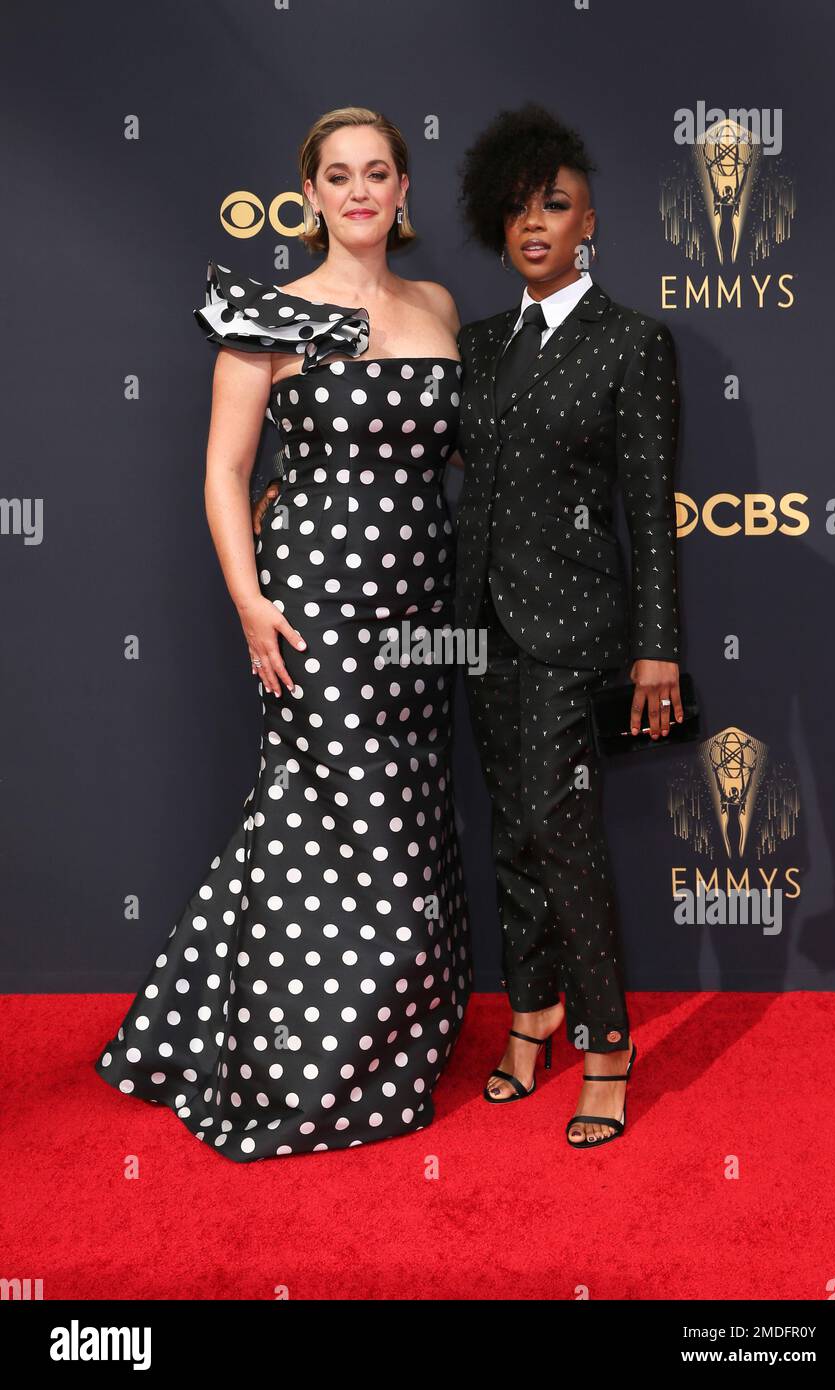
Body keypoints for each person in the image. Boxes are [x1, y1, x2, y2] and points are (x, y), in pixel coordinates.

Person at [94, 106, 472, 1162]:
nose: (357, 191)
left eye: (377, 172)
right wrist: (250, 601)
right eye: (337, 175)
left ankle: (371, 1024)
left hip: (420, 598)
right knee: (336, 821)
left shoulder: (437, 303)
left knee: (406, 807)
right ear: (309, 195)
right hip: (312, 603)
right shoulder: (268, 311)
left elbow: (443, 457)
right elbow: (224, 471)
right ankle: (309, 1062)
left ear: (402, 191)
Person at [454, 104, 683, 1147]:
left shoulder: (630, 342)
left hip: (571, 629)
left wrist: (657, 645)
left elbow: (650, 507)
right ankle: (530, 1013)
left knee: (562, 831)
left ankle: (605, 1045)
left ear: (587, 221)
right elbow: (430, 467)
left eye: (553, 205)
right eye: (515, 210)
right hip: (479, 628)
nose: (533, 225)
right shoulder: (478, 343)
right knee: (509, 831)